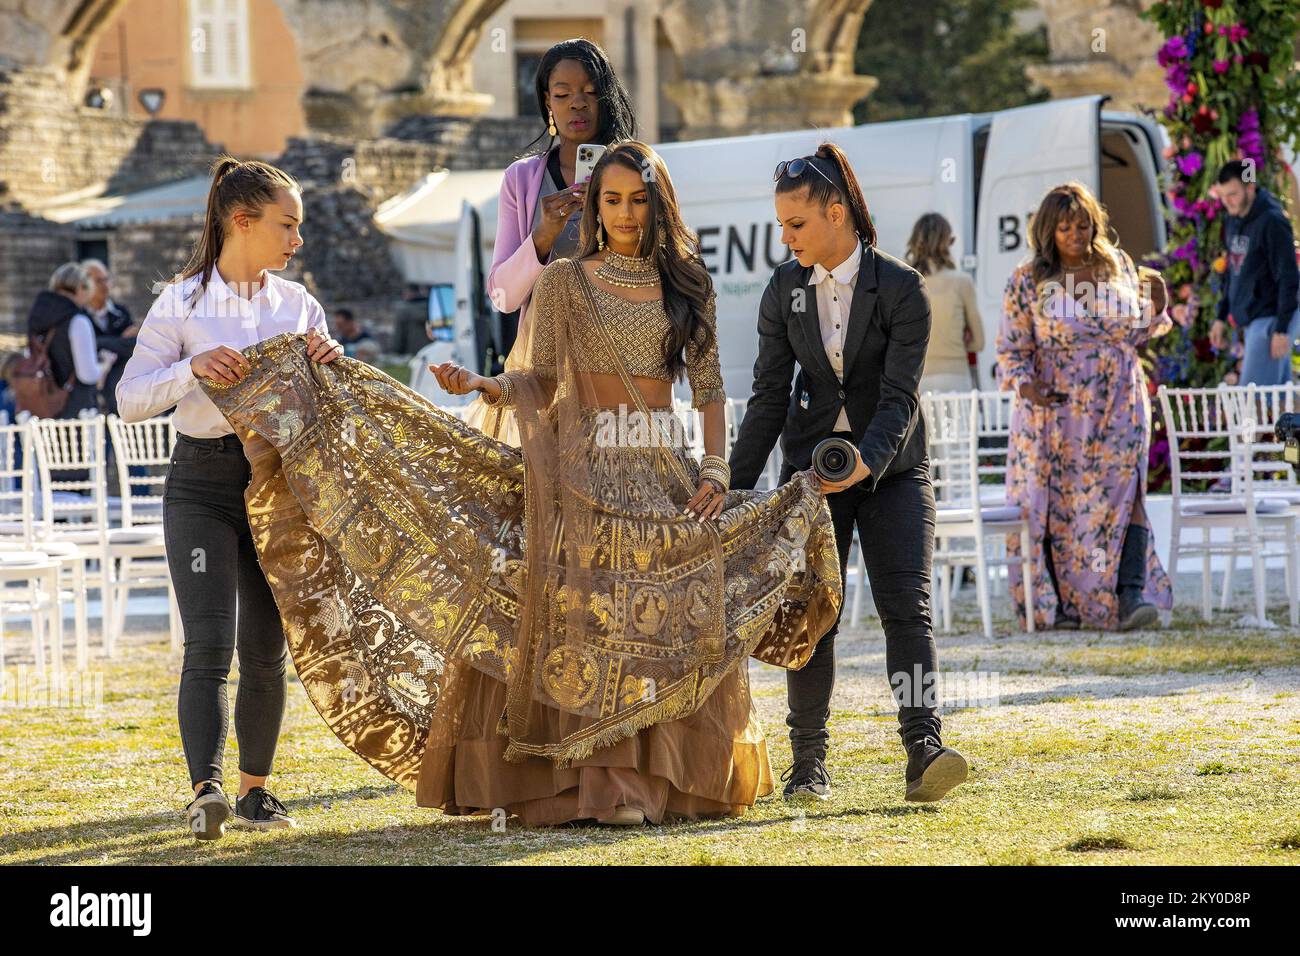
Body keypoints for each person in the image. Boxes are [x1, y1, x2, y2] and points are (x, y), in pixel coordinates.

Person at [194, 140, 840, 828]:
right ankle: (596, 786)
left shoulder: (686, 283)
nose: (625, 213)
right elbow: (544, 381)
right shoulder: (565, 281)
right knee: (581, 613)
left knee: (664, 611)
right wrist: (485, 385)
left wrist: (716, 470)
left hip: (663, 469)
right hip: (577, 470)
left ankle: (669, 781)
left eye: (639, 199)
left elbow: (709, 390)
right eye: (611, 199)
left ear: (661, 204)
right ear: (594, 205)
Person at [728, 143, 968, 805]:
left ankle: (924, 750)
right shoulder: (783, 290)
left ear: (837, 212)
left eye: (796, 225)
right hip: (810, 480)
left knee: (907, 611)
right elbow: (769, 397)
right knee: (812, 618)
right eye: (780, 226)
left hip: (894, 472)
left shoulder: (901, 288)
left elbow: (900, 397)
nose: (786, 238)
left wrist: (867, 458)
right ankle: (809, 768)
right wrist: (736, 486)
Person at [116, 156, 344, 841]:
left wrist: (329, 364)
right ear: (241, 222)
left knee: (268, 648)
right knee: (209, 644)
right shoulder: (181, 303)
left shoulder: (298, 304)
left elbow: (325, 405)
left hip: (279, 485)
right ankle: (205, 791)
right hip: (202, 484)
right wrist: (191, 368)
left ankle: (255, 793)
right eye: (288, 225)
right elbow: (128, 400)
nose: (297, 241)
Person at [996, 181, 1174, 632]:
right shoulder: (1028, 278)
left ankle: (1128, 597)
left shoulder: (1116, 265)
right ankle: (1061, 605)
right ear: (1048, 231)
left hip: (1119, 406)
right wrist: (1025, 386)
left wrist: (1156, 306)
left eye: (1082, 224)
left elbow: (1136, 333)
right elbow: (1010, 350)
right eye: (1064, 227)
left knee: (1124, 495)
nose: (1075, 234)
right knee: (1056, 505)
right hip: (1055, 413)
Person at [464, 37, 638, 446]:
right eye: (563, 94)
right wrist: (541, 238)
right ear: (548, 103)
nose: (577, 104)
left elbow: (657, 269)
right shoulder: (522, 180)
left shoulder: (636, 170)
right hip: (542, 371)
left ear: (607, 99)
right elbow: (503, 297)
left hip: (620, 363)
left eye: (591, 93)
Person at [1208, 160, 1300, 386]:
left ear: (1250, 187)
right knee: (1281, 396)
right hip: (1252, 318)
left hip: (1270, 318)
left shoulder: (1272, 221)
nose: (1227, 202)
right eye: (1223, 196)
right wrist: (1221, 316)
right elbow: (1232, 271)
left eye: (1233, 194)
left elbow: (1288, 275)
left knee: (1251, 399)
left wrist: (1281, 328)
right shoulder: (1232, 218)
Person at [906, 212, 984, 394]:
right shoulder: (962, 281)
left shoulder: (905, 280)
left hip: (917, 379)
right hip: (956, 378)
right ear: (947, 243)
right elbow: (978, 342)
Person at [26, 262, 116, 420]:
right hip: (76, 412)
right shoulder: (78, 320)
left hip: (42, 406)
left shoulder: (37, 316)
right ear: (81, 287)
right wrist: (105, 364)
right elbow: (87, 374)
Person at [82, 258, 139, 416]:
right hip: (92, 394)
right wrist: (119, 341)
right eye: (99, 281)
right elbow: (88, 347)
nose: (104, 285)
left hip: (120, 388)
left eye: (106, 279)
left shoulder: (120, 312)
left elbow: (134, 345)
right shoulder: (79, 316)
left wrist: (103, 344)